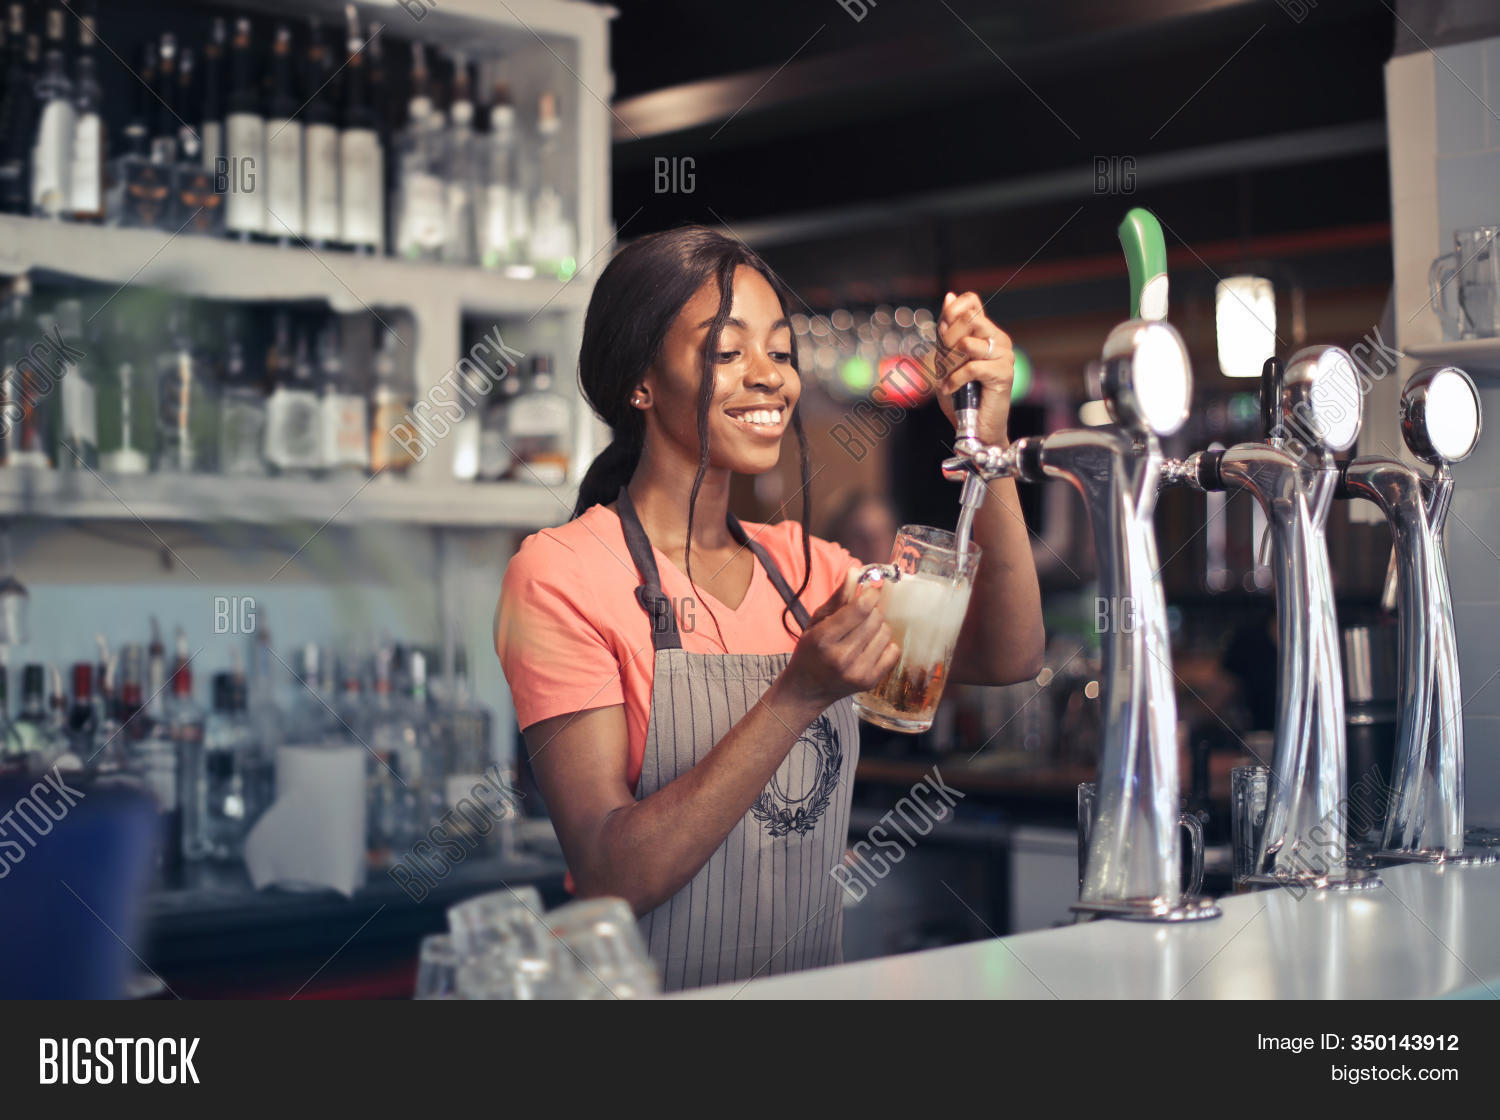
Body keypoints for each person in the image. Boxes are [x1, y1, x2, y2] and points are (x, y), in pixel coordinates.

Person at [494, 226, 1043, 991]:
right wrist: (797, 694)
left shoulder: (804, 567)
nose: (769, 378)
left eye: (781, 352)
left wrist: (992, 443)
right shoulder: (562, 574)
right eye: (727, 352)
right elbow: (613, 872)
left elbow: (1008, 655)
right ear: (639, 381)